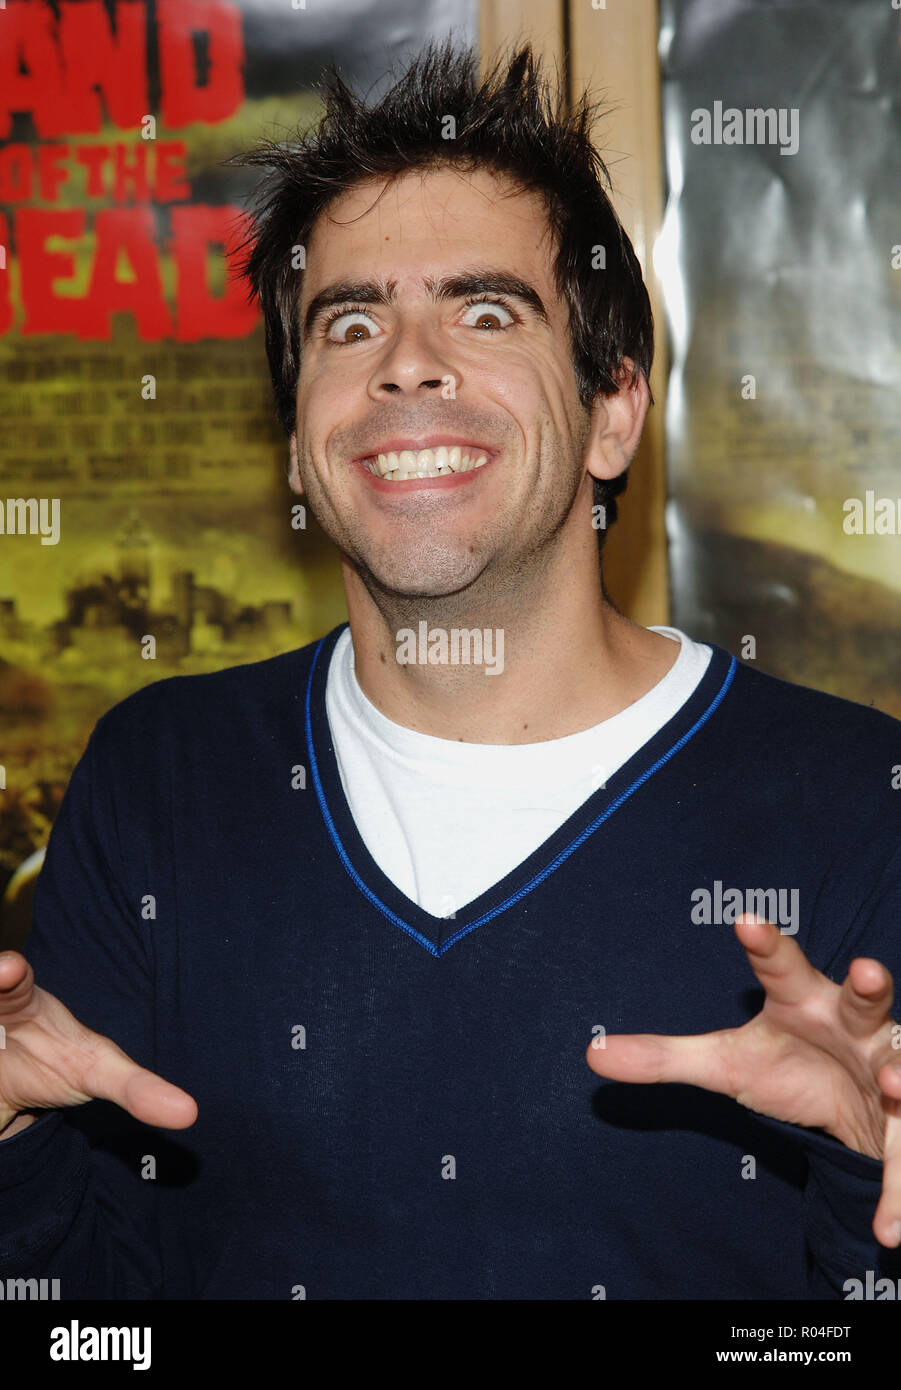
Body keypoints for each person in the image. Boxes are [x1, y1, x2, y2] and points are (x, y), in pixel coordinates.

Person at [1, 40, 899, 1301]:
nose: (405, 363)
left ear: (612, 412)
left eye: (486, 311)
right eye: (349, 321)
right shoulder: (161, 778)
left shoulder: (861, 808)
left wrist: (873, 1195)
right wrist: (14, 1146)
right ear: (298, 450)